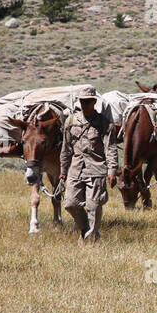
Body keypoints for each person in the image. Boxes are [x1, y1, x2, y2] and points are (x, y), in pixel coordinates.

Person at [57, 85, 119, 242]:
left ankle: (91, 238)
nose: (85, 105)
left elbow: (110, 149)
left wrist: (112, 171)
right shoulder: (71, 121)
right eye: (82, 102)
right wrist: (63, 170)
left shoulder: (104, 123)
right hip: (76, 168)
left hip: (96, 168)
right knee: (70, 204)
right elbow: (66, 148)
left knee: (94, 206)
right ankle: (85, 229)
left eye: (88, 102)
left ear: (94, 102)